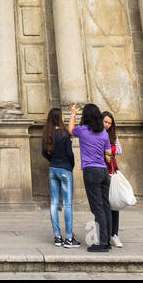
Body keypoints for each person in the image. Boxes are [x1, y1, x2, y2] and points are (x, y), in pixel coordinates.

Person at [69, 103, 112, 252]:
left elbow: (70, 130)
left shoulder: (82, 130)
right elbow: (108, 153)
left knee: (97, 208)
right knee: (106, 206)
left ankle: (100, 243)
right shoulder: (104, 133)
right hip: (104, 171)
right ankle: (107, 241)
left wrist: (73, 114)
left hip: (91, 171)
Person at [41, 108, 79, 247]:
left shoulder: (47, 134)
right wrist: (71, 165)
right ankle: (69, 238)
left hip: (53, 169)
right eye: (62, 116)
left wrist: (53, 160)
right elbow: (70, 154)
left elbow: (44, 152)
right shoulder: (64, 134)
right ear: (59, 118)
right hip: (65, 169)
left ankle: (57, 237)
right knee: (67, 204)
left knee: (54, 203)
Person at [103, 110, 124, 248]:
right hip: (100, 171)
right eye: (105, 122)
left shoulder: (112, 135)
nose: (107, 125)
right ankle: (105, 233)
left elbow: (120, 150)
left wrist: (109, 151)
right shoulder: (97, 133)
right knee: (103, 205)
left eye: (109, 123)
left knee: (114, 204)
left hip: (111, 171)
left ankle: (114, 234)